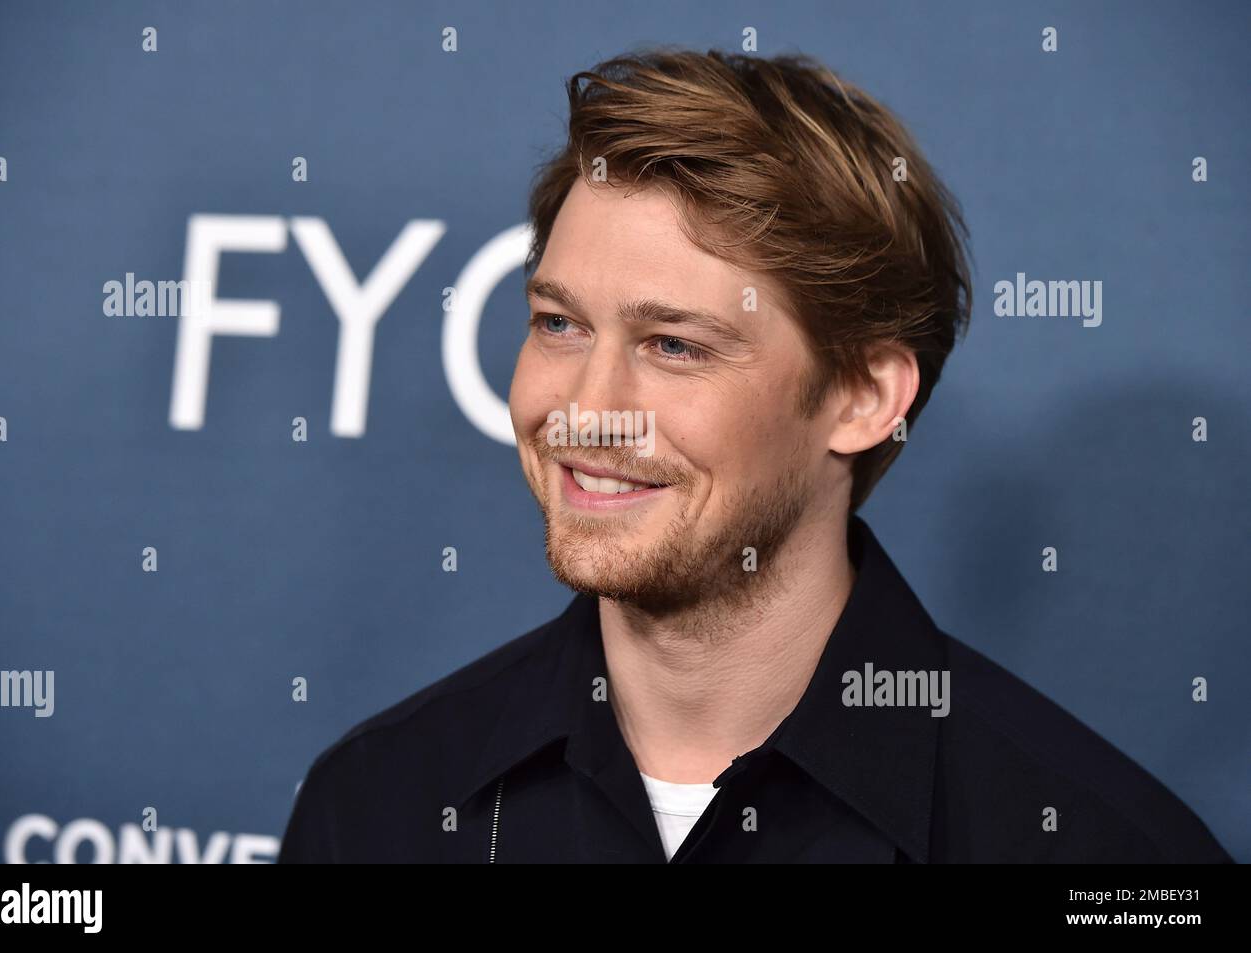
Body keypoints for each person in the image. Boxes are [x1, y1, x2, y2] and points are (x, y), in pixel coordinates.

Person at [278, 48, 1231, 863]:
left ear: (862, 398)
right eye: (559, 324)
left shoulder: (1101, 852)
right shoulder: (376, 804)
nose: (585, 409)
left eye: (675, 345)